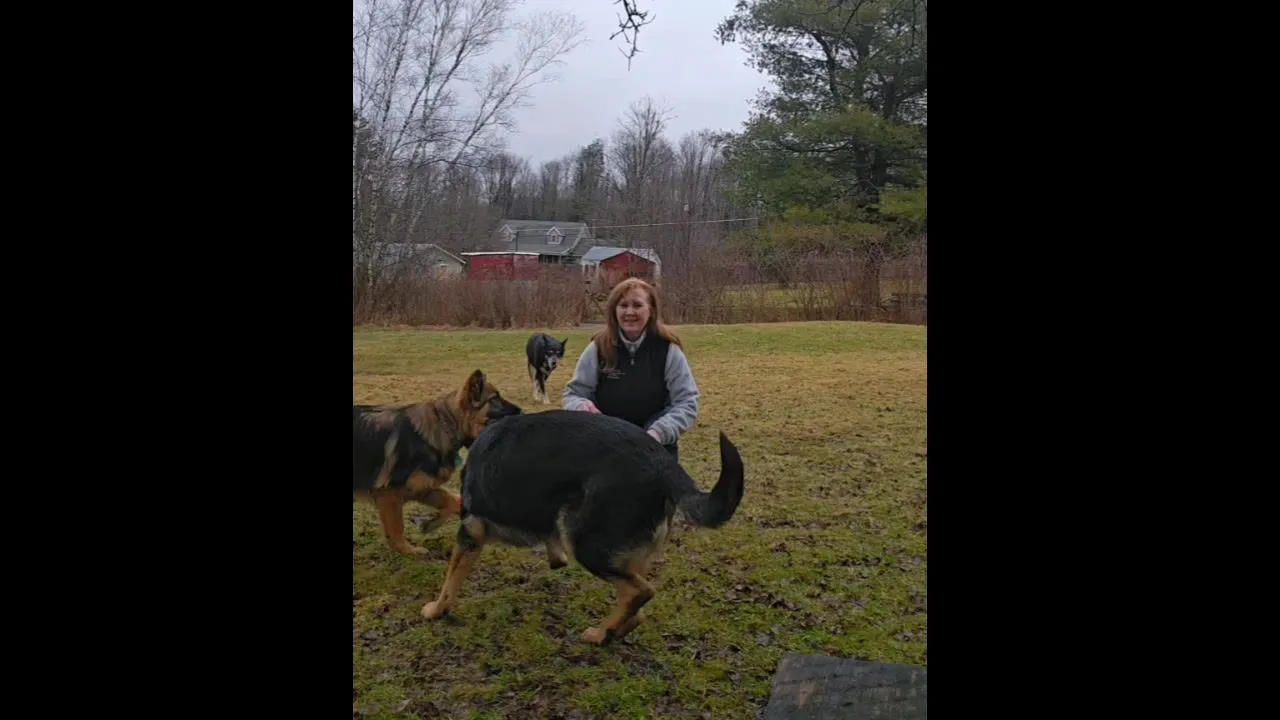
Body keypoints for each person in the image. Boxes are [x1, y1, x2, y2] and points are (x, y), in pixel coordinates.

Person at [563, 277, 699, 461]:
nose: (629, 312)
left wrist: (658, 434)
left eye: (637, 305)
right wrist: (583, 408)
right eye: (623, 305)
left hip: (656, 448)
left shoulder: (668, 350)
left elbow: (686, 402)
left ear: (651, 310)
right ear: (614, 311)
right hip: (605, 447)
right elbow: (573, 394)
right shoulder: (598, 348)